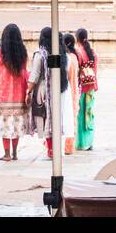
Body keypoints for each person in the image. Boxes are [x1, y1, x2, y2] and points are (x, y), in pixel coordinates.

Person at [28, 26, 72, 157]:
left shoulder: (40, 54)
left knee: (46, 118)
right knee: (55, 119)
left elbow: (34, 75)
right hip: (59, 89)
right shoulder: (62, 53)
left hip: (44, 90)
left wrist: (27, 91)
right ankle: (53, 148)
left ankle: (51, 149)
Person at [0, 23, 29, 161]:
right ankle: (14, 153)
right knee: (16, 124)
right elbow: (25, 72)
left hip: (3, 94)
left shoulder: (0, 53)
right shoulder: (23, 53)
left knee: (5, 126)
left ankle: (6, 154)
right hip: (19, 94)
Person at [75, 28, 98, 150]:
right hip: (90, 87)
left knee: (80, 114)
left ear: (77, 38)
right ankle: (89, 141)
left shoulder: (78, 53)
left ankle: (81, 143)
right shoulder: (92, 52)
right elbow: (95, 70)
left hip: (81, 88)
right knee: (89, 114)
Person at [63, 32, 79, 153]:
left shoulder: (66, 57)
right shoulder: (75, 56)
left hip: (67, 89)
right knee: (71, 118)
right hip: (74, 89)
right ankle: (70, 147)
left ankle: (66, 147)